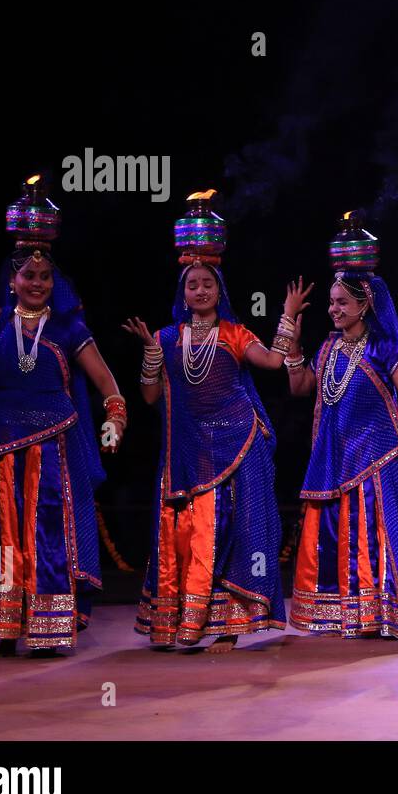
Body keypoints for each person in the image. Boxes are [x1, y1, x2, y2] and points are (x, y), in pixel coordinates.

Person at [0, 175, 126, 655]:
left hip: (50, 455)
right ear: (12, 278)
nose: (36, 283)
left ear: (53, 281)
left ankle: (44, 627)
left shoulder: (67, 326)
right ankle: (3, 629)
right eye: (28, 277)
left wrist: (114, 420)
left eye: (43, 277)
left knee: (44, 540)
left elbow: (107, 384)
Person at [123, 190, 309, 652]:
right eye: (192, 284)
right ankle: (179, 623)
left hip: (237, 444)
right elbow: (150, 398)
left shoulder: (233, 333)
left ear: (219, 290)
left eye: (208, 283)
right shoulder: (166, 338)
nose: (200, 290)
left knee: (230, 529)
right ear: (182, 293)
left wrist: (286, 319)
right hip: (187, 451)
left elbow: (269, 363)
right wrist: (149, 354)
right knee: (187, 533)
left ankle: (229, 625)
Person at [285, 211, 398, 638]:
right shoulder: (327, 345)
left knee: (379, 542)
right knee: (341, 540)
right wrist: (290, 337)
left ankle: (391, 615)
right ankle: (352, 616)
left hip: (379, 465)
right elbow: (301, 387)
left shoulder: (382, 347)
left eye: (343, 302)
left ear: (366, 304)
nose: (334, 309)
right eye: (331, 302)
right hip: (338, 463)